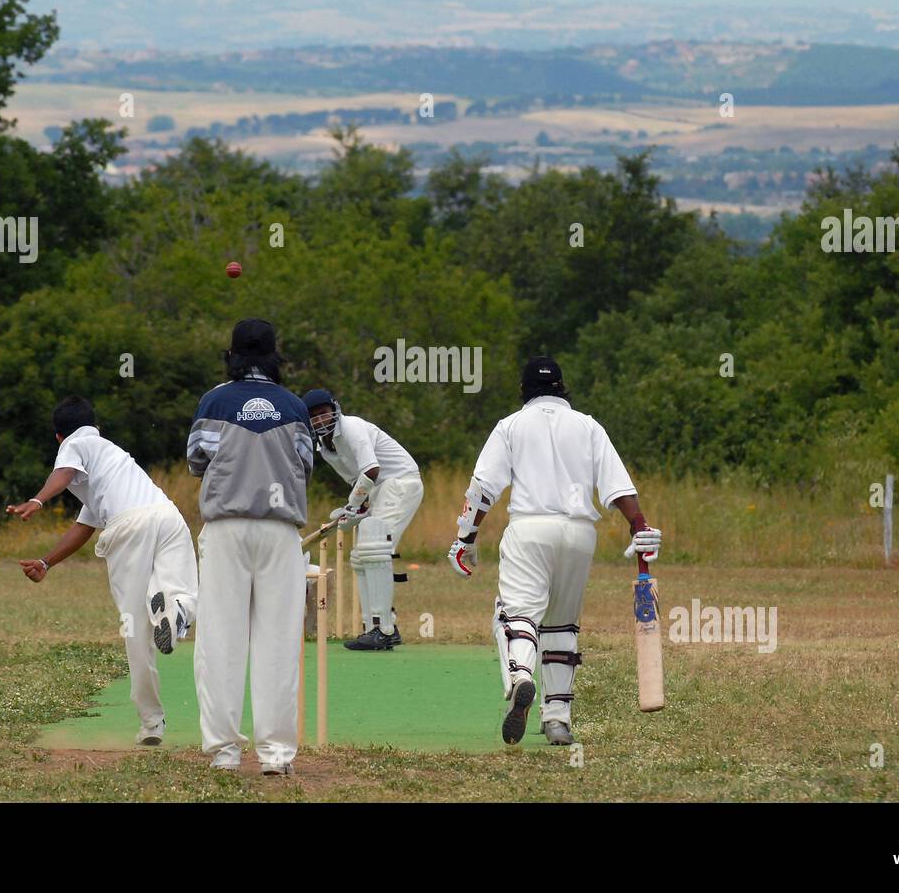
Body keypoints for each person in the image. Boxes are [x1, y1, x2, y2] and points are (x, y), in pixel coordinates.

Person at [447, 356, 662, 746]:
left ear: (523, 391)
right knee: (562, 625)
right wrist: (640, 527)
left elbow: (483, 490)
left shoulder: (510, 426)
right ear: (563, 388)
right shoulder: (588, 426)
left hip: (530, 529)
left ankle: (522, 678)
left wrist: (466, 539)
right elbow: (619, 490)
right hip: (580, 535)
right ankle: (558, 718)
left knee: (516, 615)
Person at [7, 396, 198, 748]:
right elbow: (84, 525)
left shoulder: (75, 444)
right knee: (182, 588)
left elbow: (62, 474)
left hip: (128, 527)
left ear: (58, 438)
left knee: (136, 630)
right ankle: (178, 611)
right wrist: (47, 561)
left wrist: (37, 500)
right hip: (167, 516)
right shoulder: (110, 454)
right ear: (98, 425)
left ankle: (152, 724)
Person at [187, 319, 314, 775]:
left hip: (226, 530)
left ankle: (223, 752)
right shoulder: (296, 406)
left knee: (220, 639)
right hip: (281, 534)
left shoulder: (214, 400)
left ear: (234, 356)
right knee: (278, 643)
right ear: (274, 357)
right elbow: (305, 464)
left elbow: (196, 461)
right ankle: (276, 756)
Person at [301, 388, 423, 651]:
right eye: (314, 417)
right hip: (379, 490)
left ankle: (384, 630)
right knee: (360, 557)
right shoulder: (324, 448)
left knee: (375, 551)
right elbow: (361, 485)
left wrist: (351, 505)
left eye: (324, 413)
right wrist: (354, 512)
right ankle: (374, 628)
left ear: (334, 409)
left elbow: (371, 470)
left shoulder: (353, 427)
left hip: (401, 482)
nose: (321, 420)